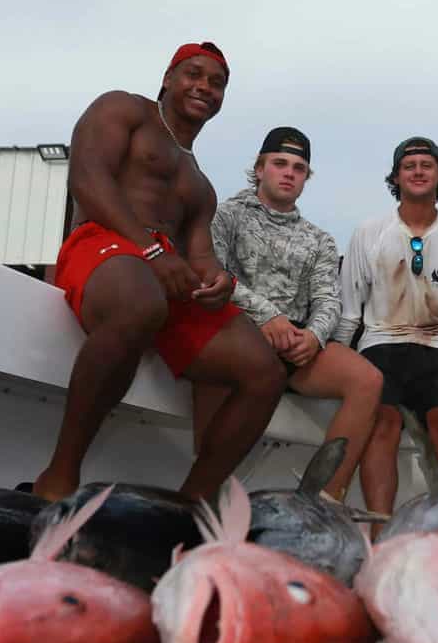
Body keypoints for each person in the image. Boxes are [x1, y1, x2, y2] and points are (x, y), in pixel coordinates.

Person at [30, 42, 285, 503]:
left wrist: (218, 282)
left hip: (161, 264)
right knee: (140, 302)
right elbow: (86, 179)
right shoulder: (123, 108)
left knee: (263, 368)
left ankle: (191, 504)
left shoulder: (200, 183)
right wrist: (149, 249)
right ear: (168, 78)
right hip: (102, 239)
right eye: (194, 74)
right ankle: (60, 474)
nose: (204, 87)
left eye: (217, 83)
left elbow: (200, 255)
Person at [194, 126, 382, 500]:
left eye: (298, 168)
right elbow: (212, 274)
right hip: (234, 329)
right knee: (212, 362)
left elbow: (328, 299)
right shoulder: (226, 215)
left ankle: (323, 501)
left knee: (368, 380)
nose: (288, 173)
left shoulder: (319, 239)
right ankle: (204, 496)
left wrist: (313, 336)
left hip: (294, 340)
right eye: (280, 163)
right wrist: (266, 317)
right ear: (260, 167)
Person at [335, 136, 438, 513]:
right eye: (409, 165)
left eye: (426, 165)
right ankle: (379, 525)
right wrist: (334, 356)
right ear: (396, 177)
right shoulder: (369, 231)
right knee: (382, 425)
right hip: (381, 344)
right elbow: (350, 309)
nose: (418, 171)